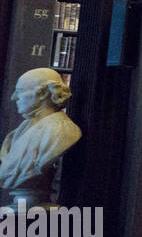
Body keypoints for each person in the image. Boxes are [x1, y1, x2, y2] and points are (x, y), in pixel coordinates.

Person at [0, 68, 82, 205]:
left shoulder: (60, 130)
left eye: (20, 91)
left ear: (42, 93)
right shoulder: (20, 131)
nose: (14, 97)